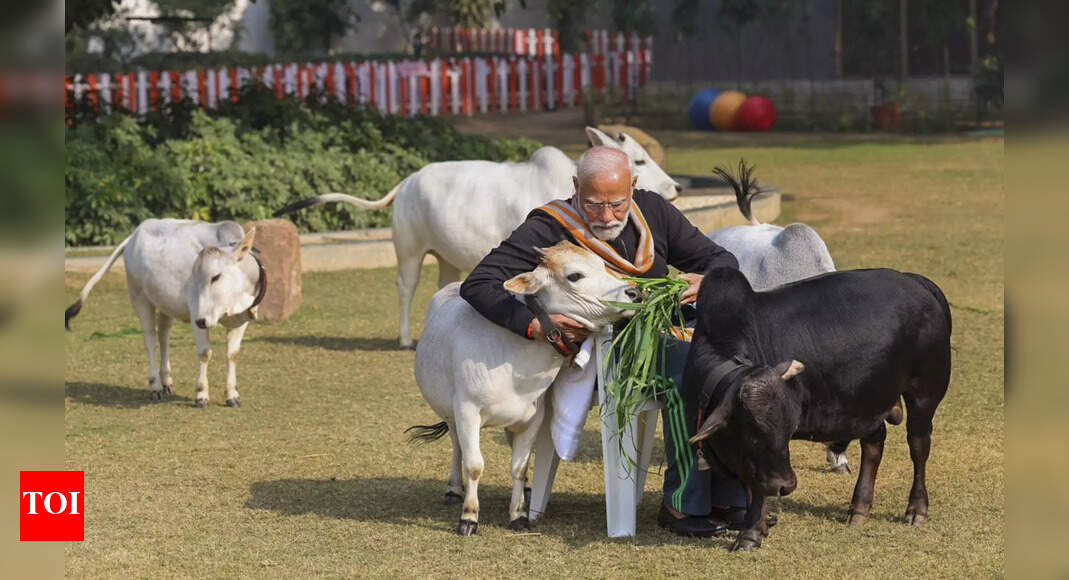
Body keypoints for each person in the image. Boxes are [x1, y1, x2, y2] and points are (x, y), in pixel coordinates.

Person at [460, 146, 747, 537]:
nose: (607, 216)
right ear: (577, 188)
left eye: (617, 203)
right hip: (602, 351)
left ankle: (729, 496)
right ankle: (681, 505)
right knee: (689, 365)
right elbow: (479, 283)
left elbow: (720, 259)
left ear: (634, 186)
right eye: (594, 205)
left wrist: (707, 279)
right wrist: (537, 325)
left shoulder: (653, 211)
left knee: (733, 362)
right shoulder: (549, 226)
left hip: (663, 331)